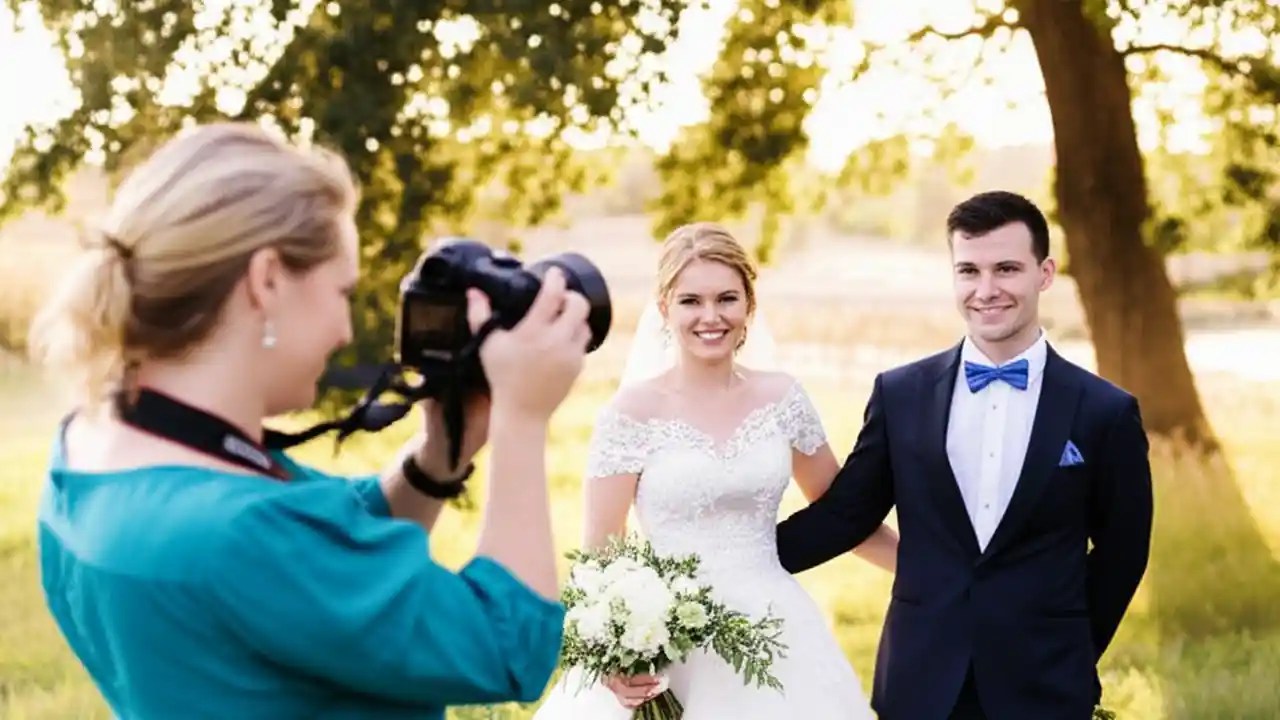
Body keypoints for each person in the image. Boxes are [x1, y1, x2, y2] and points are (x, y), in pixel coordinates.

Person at [30, 122, 593, 719]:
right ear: (267, 280)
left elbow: (325, 546)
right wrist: (523, 420)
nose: (345, 331)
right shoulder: (240, 533)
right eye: (342, 292)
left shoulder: (92, 448)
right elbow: (510, 646)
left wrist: (437, 458)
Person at [776, 190, 1154, 720]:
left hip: (1045, 688)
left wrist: (1069, 653)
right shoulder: (900, 394)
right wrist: (726, 564)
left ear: (1044, 274)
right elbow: (844, 517)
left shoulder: (1105, 412)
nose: (986, 290)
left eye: (1006, 269)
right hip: (919, 682)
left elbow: (1123, 553)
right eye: (968, 271)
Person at [532, 222, 897, 719]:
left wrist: (935, 568)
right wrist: (612, 658)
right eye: (691, 301)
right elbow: (599, 553)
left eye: (727, 299)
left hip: (775, 634)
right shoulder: (629, 412)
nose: (711, 316)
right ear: (665, 308)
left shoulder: (782, 398)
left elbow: (842, 516)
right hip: (665, 640)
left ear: (748, 305)